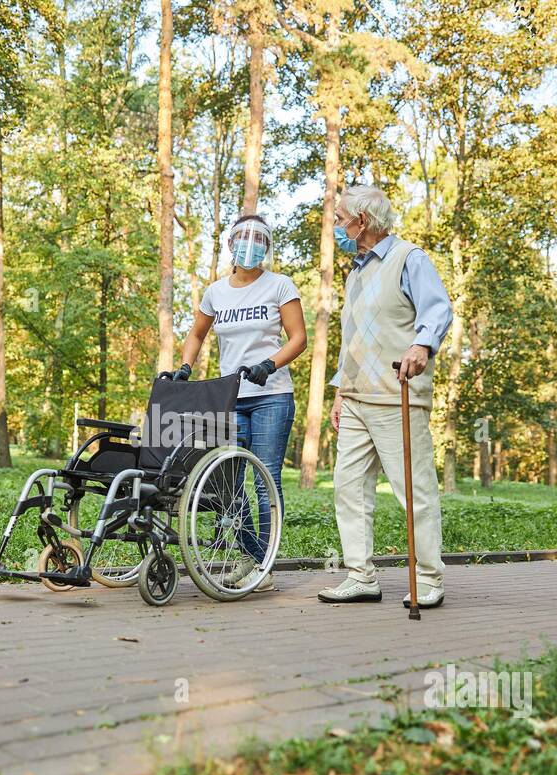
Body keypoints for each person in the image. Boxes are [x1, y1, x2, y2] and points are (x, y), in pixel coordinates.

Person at [316, 185, 453, 608]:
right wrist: (340, 391)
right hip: (356, 399)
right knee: (349, 487)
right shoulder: (356, 272)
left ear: (363, 221)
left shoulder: (409, 258)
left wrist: (422, 346)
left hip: (397, 395)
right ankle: (361, 576)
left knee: (414, 490)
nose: (336, 226)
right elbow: (353, 340)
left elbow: (438, 309)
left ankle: (429, 579)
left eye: (340, 218)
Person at [167, 214, 307, 592]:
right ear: (230, 244)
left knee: (265, 481)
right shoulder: (216, 292)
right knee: (229, 482)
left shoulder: (280, 285)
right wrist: (184, 366)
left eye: (259, 238)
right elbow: (196, 333)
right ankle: (251, 556)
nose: (251, 244)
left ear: (267, 246)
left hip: (271, 396)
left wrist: (269, 363)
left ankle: (261, 566)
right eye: (243, 237)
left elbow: (298, 338)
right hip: (231, 396)